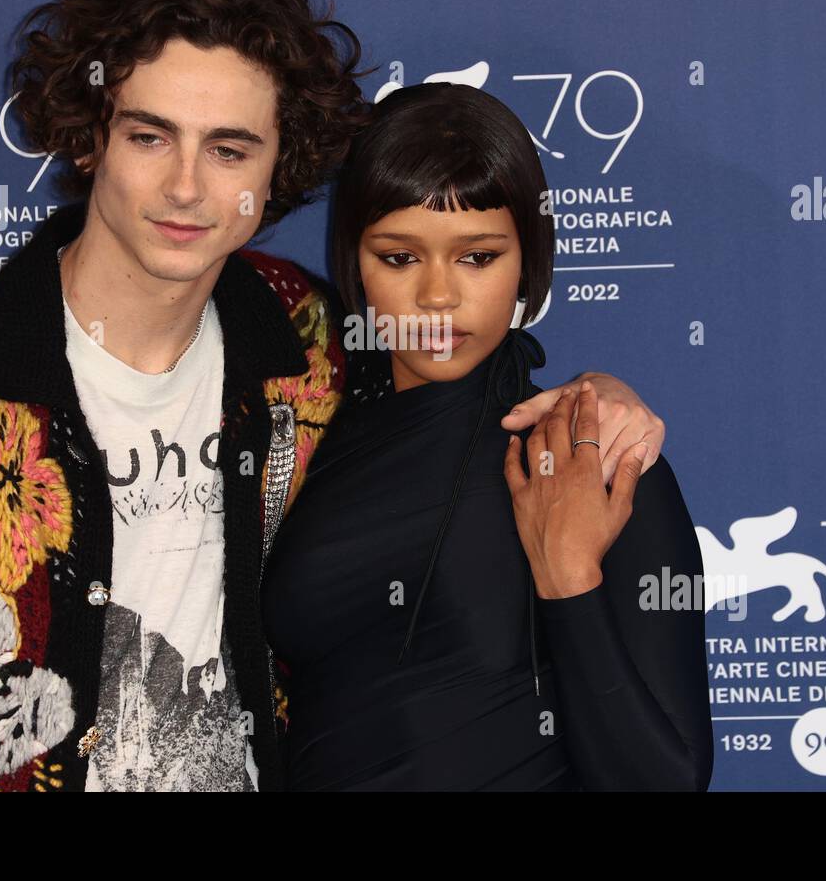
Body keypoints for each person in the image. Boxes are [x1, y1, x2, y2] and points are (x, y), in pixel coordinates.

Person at [0, 0, 666, 793]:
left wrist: (601, 397)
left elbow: (465, 375)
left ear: (277, 171)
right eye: (151, 138)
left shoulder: (312, 344)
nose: (188, 187)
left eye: (229, 149)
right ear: (87, 140)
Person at [261, 83, 713, 790]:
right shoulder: (305, 436)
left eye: (477, 257)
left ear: (529, 261)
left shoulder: (597, 456)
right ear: (354, 264)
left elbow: (664, 781)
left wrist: (567, 576)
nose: (438, 296)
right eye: (400, 257)